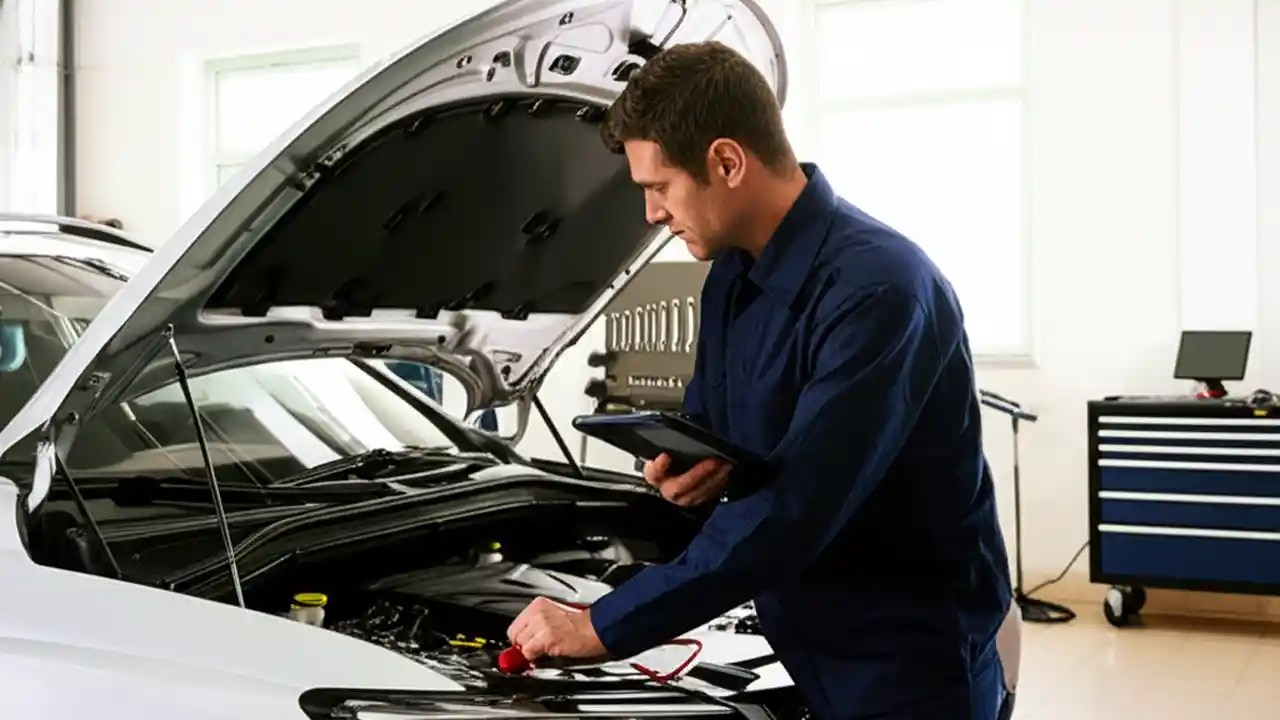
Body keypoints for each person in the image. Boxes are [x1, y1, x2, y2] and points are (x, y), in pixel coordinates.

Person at [506, 40, 1013, 719]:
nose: (652, 213)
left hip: (904, 657)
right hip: (800, 630)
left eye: (658, 187)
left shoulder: (881, 289)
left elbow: (796, 506)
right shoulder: (732, 274)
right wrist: (689, 470)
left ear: (725, 161)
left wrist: (603, 625)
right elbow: (716, 427)